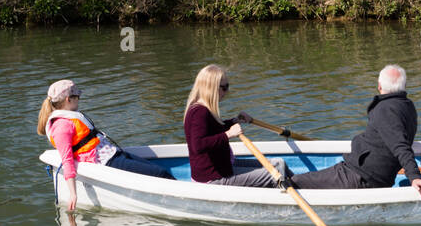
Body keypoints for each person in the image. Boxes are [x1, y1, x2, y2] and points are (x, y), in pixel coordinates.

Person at [292, 65, 421, 194]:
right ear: (404, 86)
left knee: (294, 182)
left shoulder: (385, 110)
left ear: (379, 86)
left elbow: (400, 145)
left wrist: (414, 176)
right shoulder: (407, 106)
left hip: (360, 177)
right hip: (364, 172)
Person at [38, 78, 172, 210]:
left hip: (113, 154)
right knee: (160, 173)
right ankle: (173, 202)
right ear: (69, 99)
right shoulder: (61, 126)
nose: (79, 99)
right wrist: (73, 194)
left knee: (160, 171)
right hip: (105, 162)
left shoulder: (71, 115)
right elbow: (67, 160)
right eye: (77, 96)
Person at [184, 64, 288, 187]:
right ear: (211, 88)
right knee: (276, 173)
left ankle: (300, 184)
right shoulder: (200, 112)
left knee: (278, 163)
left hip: (224, 166)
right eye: (224, 87)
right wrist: (228, 134)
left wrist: (235, 120)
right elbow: (198, 145)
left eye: (228, 86)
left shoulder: (204, 109)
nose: (227, 91)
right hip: (213, 177)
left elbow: (214, 130)